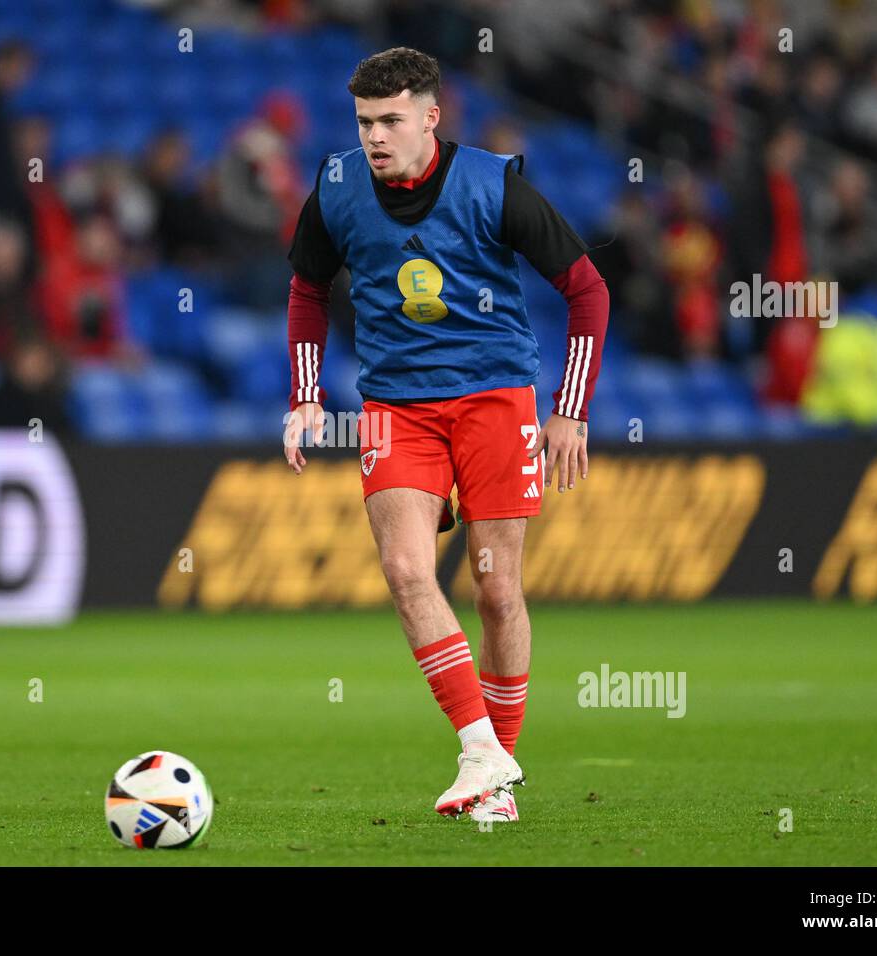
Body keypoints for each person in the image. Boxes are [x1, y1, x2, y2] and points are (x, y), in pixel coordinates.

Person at [282, 48, 609, 823]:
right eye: (364, 122)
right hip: (395, 405)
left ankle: (497, 777)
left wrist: (569, 410)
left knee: (496, 591)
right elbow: (306, 288)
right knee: (404, 567)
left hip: (495, 399)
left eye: (391, 120)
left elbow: (587, 290)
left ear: (432, 117)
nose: (374, 137)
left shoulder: (494, 185)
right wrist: (303, 397)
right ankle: (480, 749)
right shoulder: (334, 188)